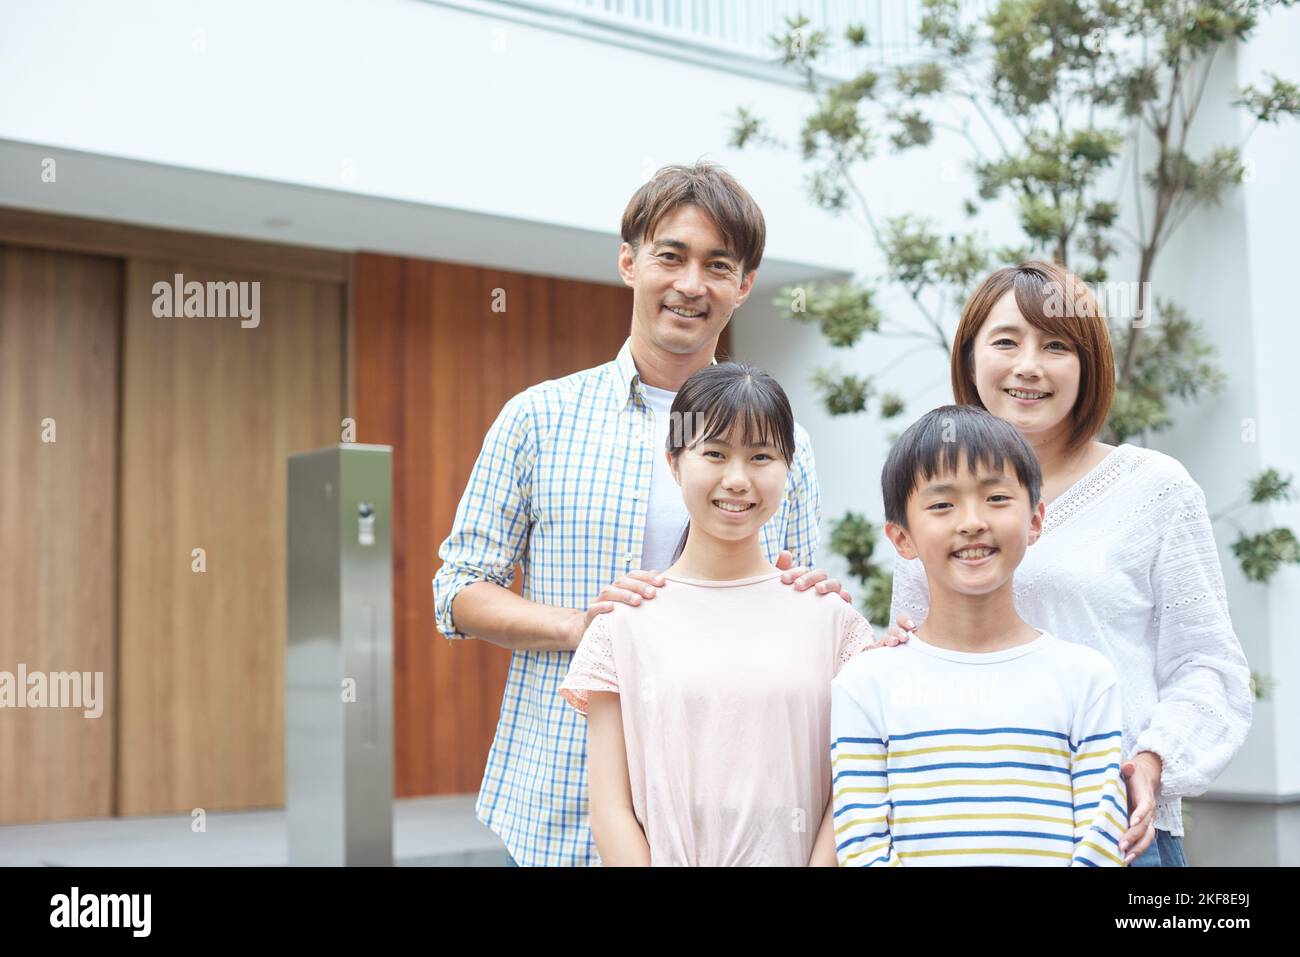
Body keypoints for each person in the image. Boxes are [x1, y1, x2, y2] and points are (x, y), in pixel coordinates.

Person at [432, 162, 854, 867]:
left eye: (718, 265)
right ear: (629, 262)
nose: (692, 284)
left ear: (744, 286)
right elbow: (458, 591)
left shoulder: (790, 450)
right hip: (561, 802)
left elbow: (797, 595)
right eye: (671, 256)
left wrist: (819, 598)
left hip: (732, 825)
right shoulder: (539, 418)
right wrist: (581, 626)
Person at [883, 261, 1252, 866]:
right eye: (1006, 341)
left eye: (1056, 345)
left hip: (1120, 832)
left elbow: (1209, 665)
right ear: (972, 356)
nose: (1029, 365)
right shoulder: (933, 490)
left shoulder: (1155, 489)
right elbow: (914, 653)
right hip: (966, 827)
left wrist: (1154, 760)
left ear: (1088, 365)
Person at [560, 362, 874, 866]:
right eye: (714, 453)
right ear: (674, 462)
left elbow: (854, 788)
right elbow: (610, 809)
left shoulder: (833, 623)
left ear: (789, 468)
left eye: (761, 457)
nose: (737, 479)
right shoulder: (623, 627)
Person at [834, 404, 1128, 866]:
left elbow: (1101, 842)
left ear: (1034, 520)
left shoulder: (1085, 678)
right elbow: (862, 846)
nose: (972, 521)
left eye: (996, 498)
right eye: (941, 505)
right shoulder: (866, 683)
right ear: (901, 538)